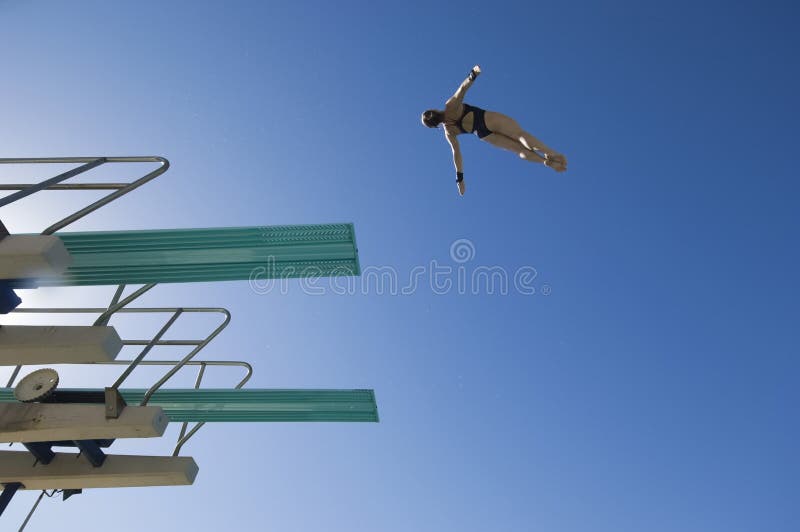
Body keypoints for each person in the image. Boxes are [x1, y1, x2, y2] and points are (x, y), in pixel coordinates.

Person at [421, 65, 567, 196]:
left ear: (434, 125)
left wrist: (459, 178)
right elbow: (462, 89)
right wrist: (473, 74)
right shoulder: (450, 106)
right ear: (433, 110)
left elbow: (456, 153)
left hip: (484, 134)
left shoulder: (449, 131)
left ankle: (543, 162)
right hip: (486, 119)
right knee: (519, 134)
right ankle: (551, 153)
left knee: (518, 151)